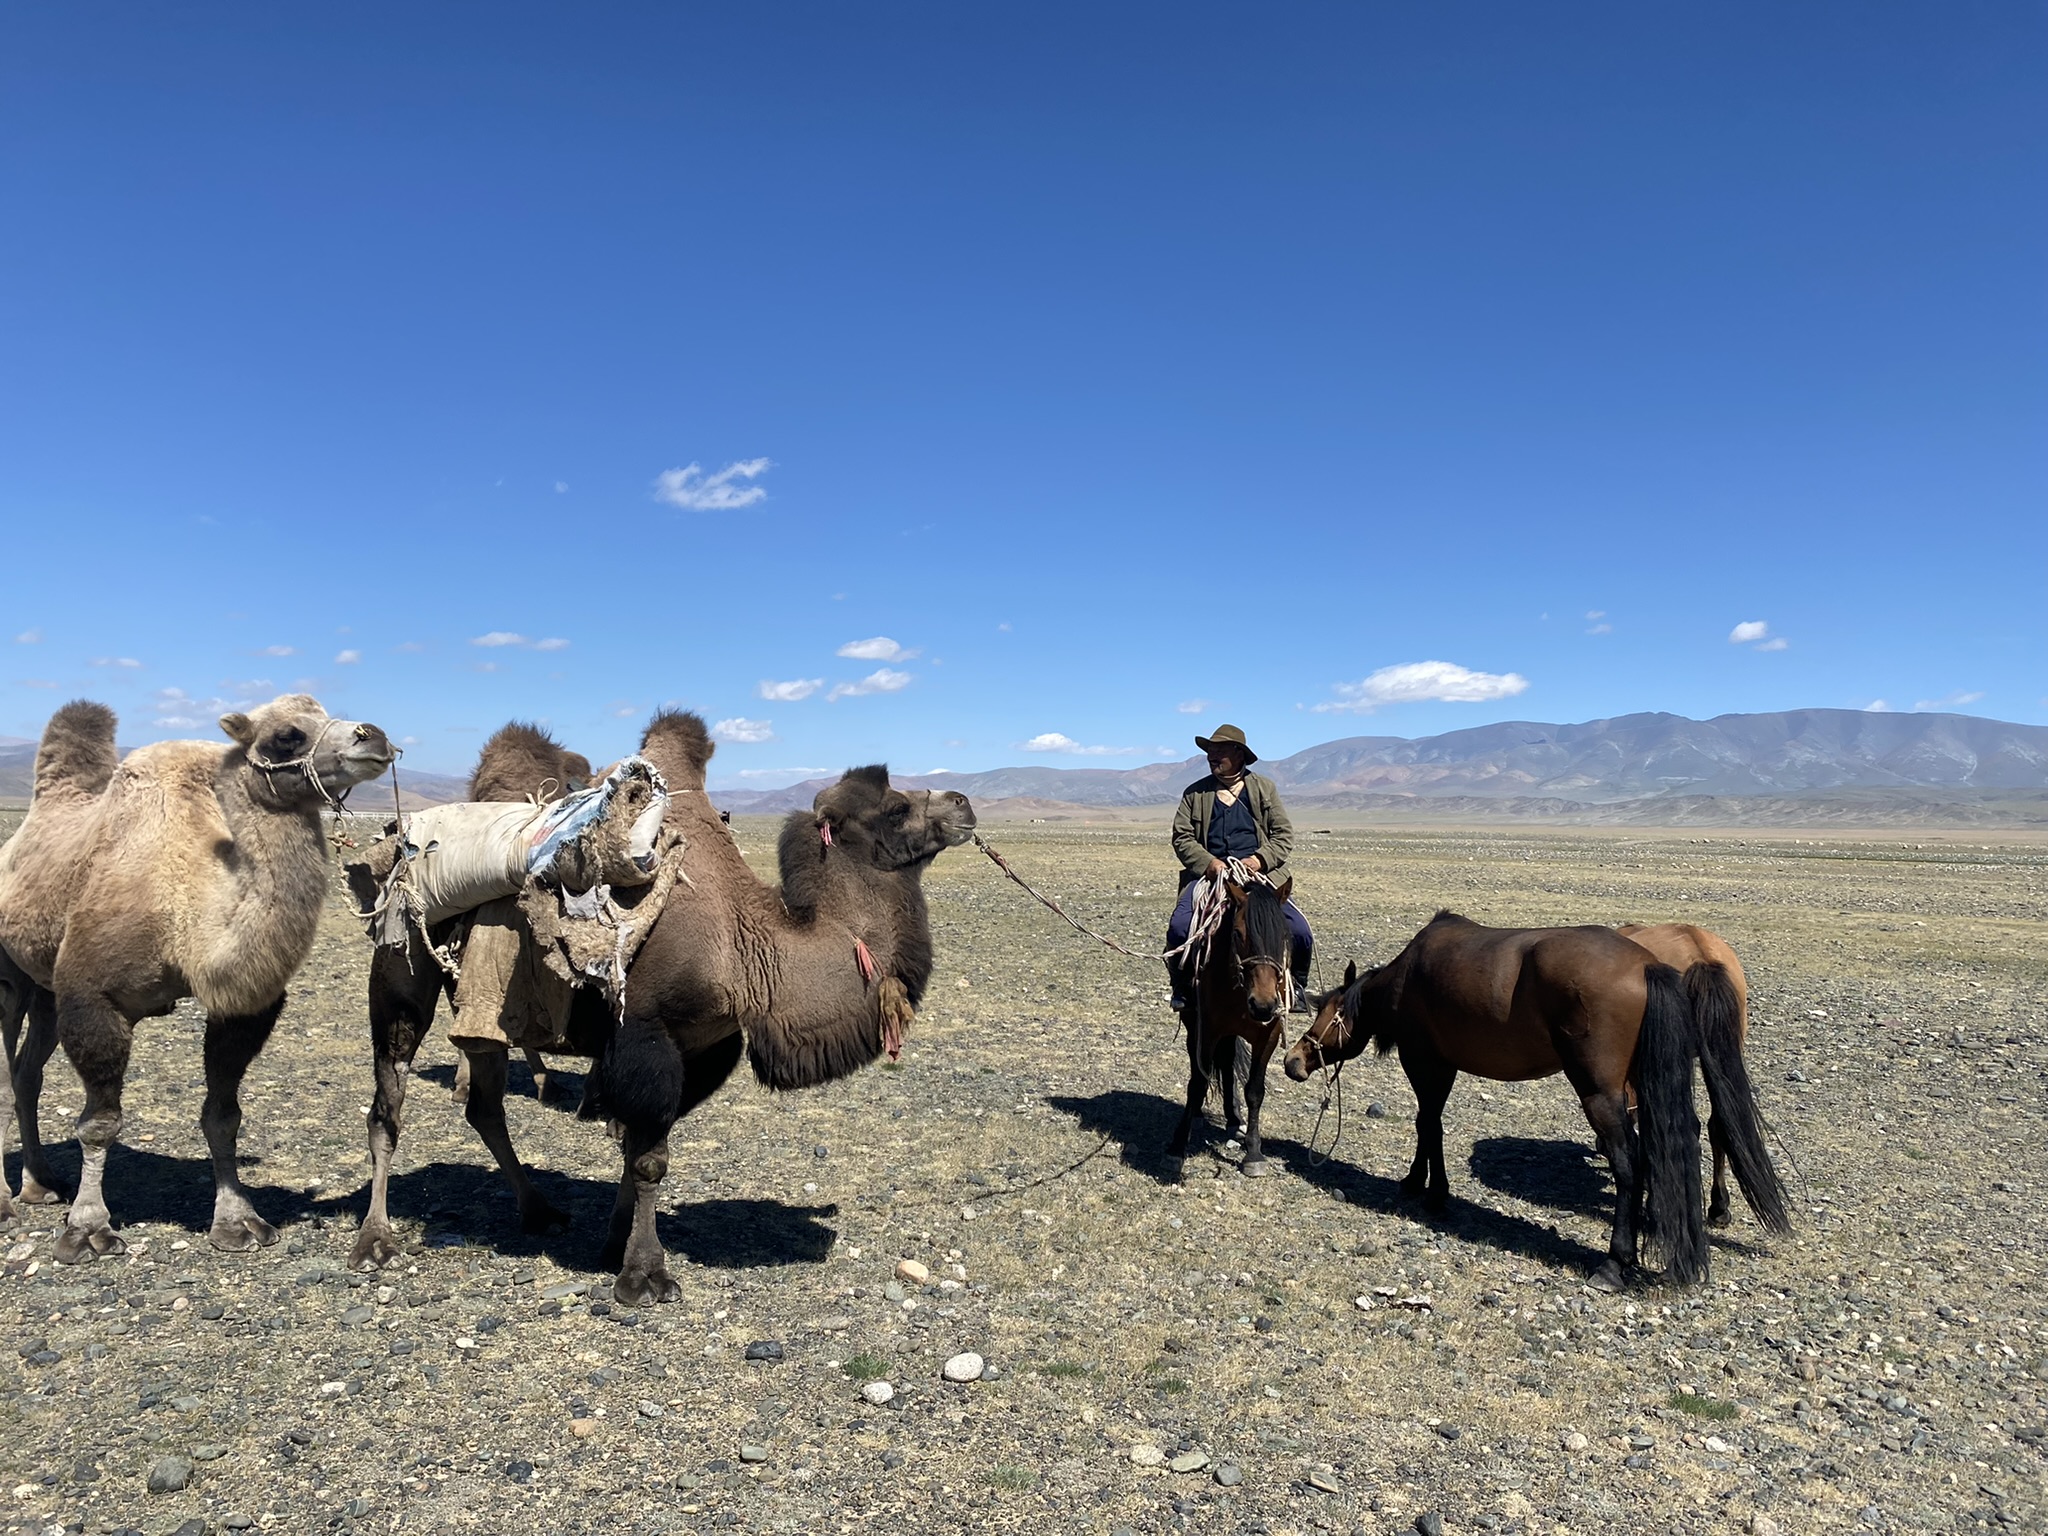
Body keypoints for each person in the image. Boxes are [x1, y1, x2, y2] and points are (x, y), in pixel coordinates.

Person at [1165, 723, 1313, 1012]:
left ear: (1239, 754)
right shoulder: (1195, 794)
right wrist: (1210, 864)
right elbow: (1182, 837)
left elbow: (1283, 835)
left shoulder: (1263, 789)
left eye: (1220, 750)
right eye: (1210, 751)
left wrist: (1259, 860)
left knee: (1300, 930)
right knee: (1180, 927)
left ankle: (1296, 987)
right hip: (1212, 877)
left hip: (1259, 876)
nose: (1212, 756)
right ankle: (1182, 987)